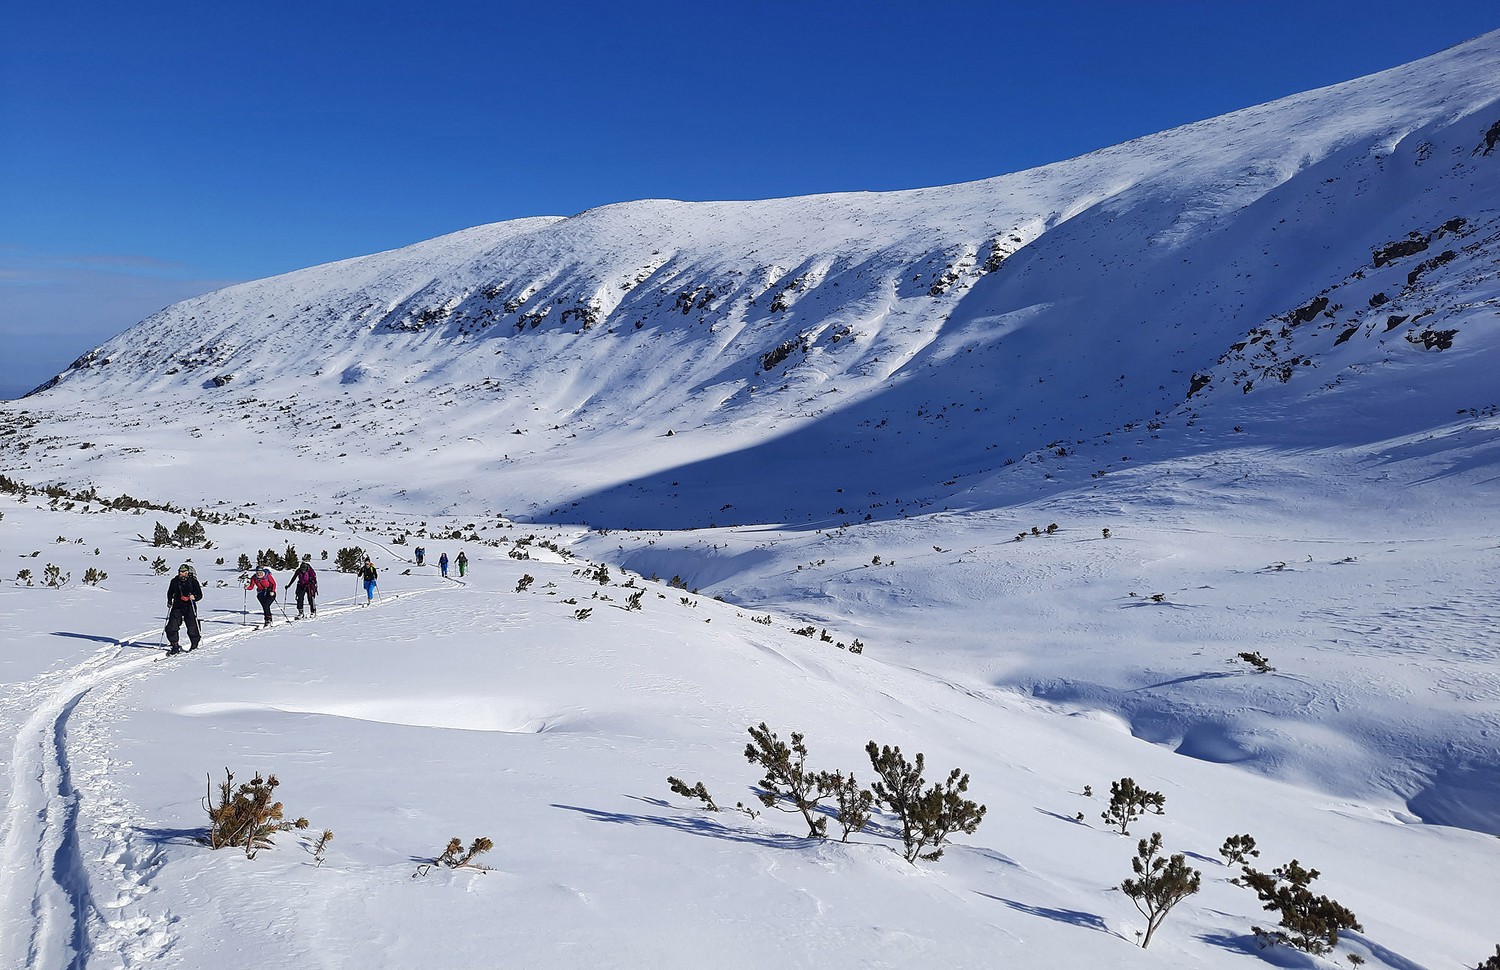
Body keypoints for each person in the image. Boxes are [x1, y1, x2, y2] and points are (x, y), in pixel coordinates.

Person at [165, 563, 203, 654]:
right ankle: (174, 645)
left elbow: (200, 595)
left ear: (188, 573)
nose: (182, 574)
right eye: (180, 572)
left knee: (192, 627)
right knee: (171, 626)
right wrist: (169, 601)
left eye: (184, 572)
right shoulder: (174, 581)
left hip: (190, 606)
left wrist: (194, 597)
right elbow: (170, 592)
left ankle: (194, 644)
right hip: (177, 606)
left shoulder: (193, 581)